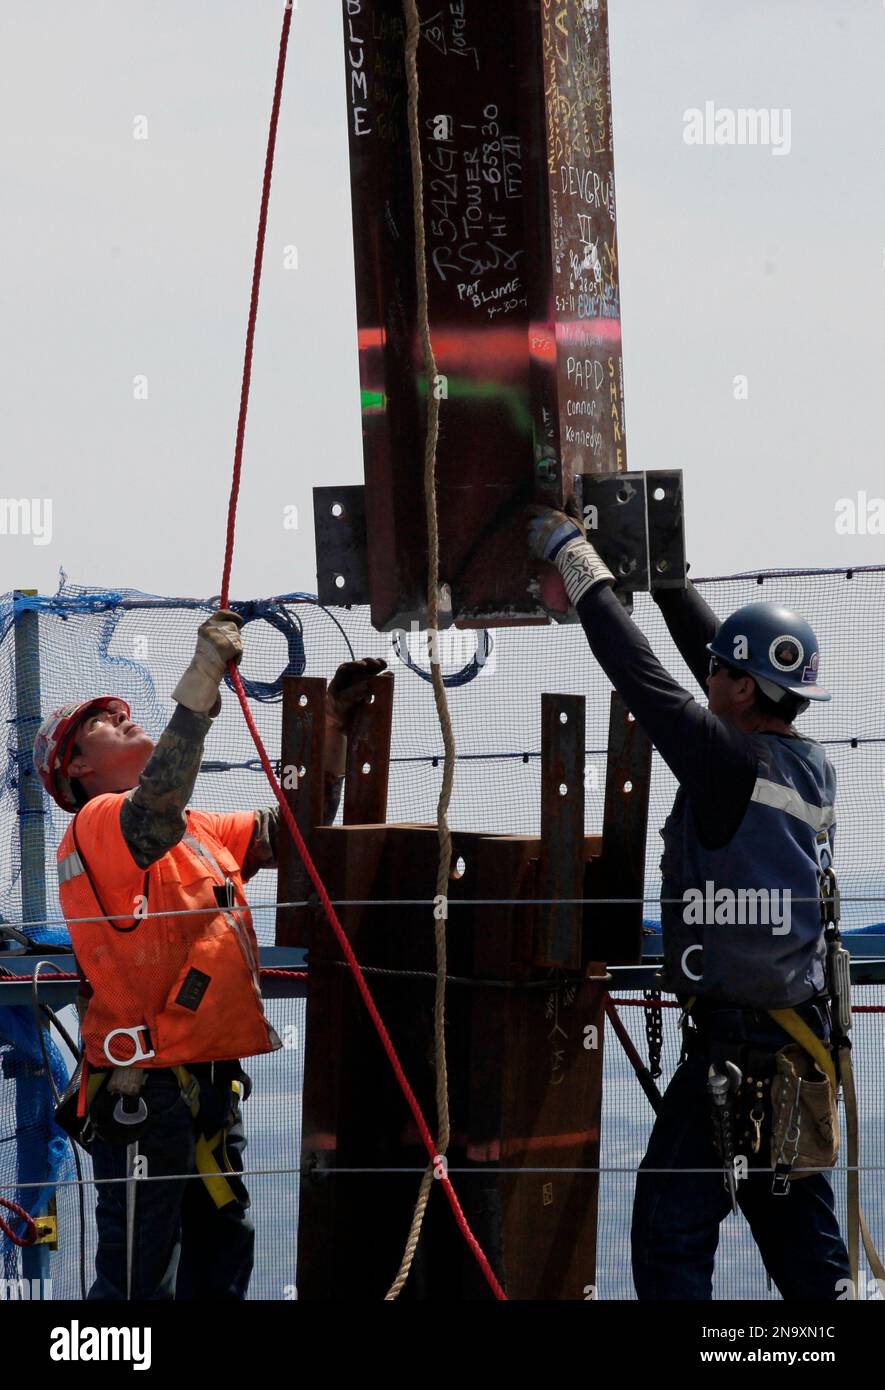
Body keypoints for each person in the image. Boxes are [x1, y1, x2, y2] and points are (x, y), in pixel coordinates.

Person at [528, 503, 851, 1301]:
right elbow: (701, 661)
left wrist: (576, 559)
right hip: (793, 1038)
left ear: (743, 689)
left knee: (670, 1231)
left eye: (718, 672)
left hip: (735, 1046)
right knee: (795, 1224)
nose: (705, 679)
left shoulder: (726, 764)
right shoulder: (802, 765)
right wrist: (662, 576)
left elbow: (639, 677)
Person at [34, 607, 385, 1299]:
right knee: (137, 1281)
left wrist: (335, 735)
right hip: (146, 1096)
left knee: (221, 1261)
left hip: (205, 1092)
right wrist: (198, 687)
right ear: (76, 765)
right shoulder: (95, 825)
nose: (123, 716)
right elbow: (152, 812)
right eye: (103, 721)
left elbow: (291, 832)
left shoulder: (197, 829)